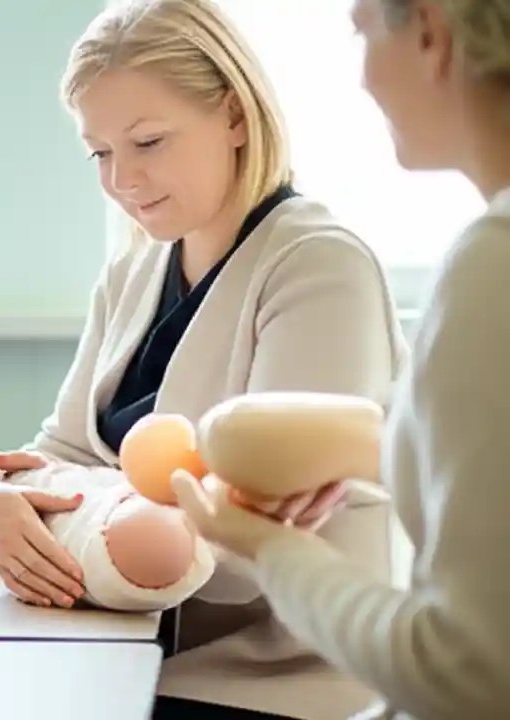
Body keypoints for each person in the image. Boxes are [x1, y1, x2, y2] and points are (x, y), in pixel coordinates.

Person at [0, 0, 410, 717]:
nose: (121, 179)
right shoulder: (134, 269)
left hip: (274, 685)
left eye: (148, 142)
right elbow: (56, 454)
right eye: (100, 152)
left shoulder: (318, 267)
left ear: (235, 115)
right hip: (127, 656)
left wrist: (16, 516)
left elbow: (249, 534)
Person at [173, 1, 510, 718]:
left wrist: (269, 550)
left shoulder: (492, 267)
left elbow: (467, 677)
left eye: (363, 30)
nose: (360, 79)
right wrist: (376, 444)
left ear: (430, 33)